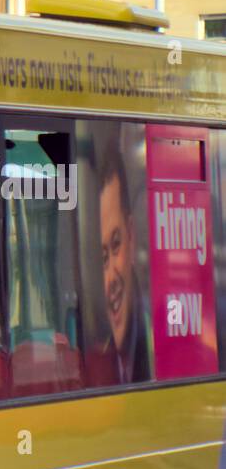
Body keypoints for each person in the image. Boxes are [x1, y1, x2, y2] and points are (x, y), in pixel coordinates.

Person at [87, 156, 151, 386]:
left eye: (116, 246)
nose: (111, 276)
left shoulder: (157, 336)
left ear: (131, 238)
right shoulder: (97, 355)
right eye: (103, 258)